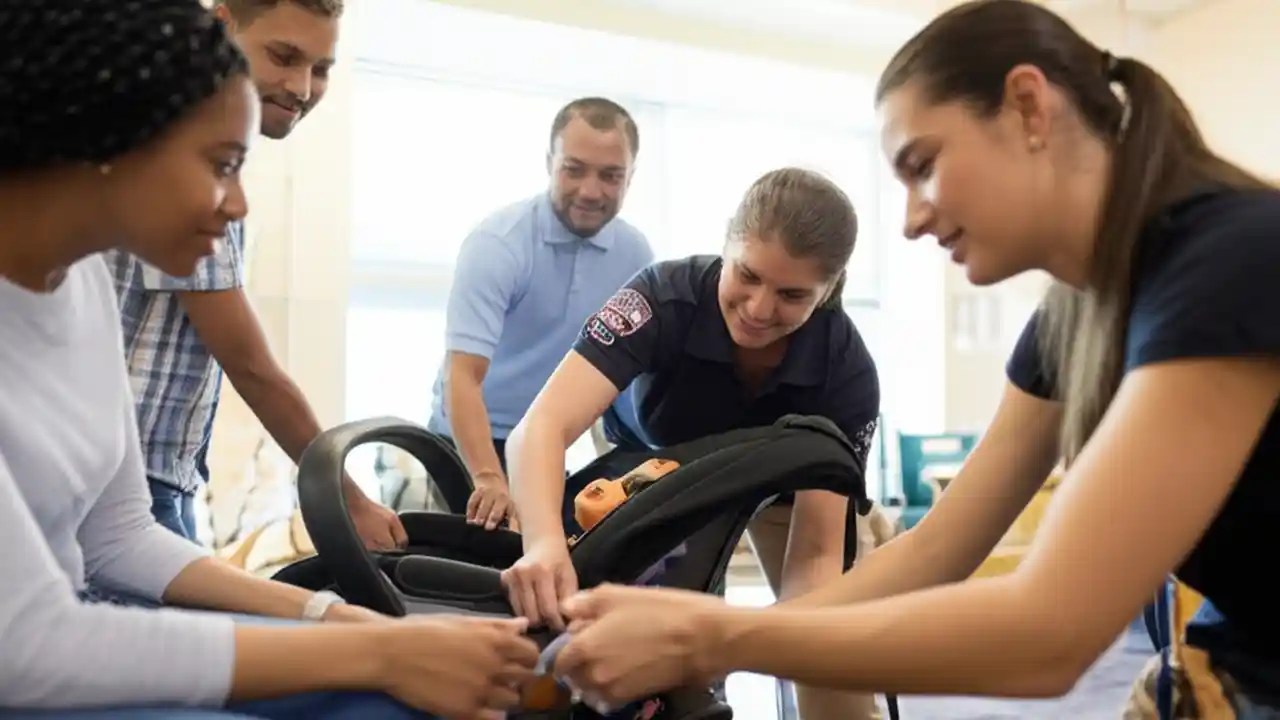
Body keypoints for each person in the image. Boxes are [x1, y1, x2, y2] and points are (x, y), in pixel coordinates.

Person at [535, 1, 1280, 717]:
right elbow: (936, 553)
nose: (913, 218)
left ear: (1028, 107)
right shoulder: (1075, 320)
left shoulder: (1230, 262)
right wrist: (719, 636)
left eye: (922, 165)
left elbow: (1050, 634)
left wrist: (714, 637)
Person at [0, 2, 537, 718]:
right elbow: (27, 644)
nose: (240, 204)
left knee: (390, 698)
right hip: (33, 665)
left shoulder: (88, 283)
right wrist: (383, 649)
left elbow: (119, 536)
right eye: (223, 165)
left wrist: (332, 616)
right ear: (112, 137)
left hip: (60, 632)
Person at [504, 167, 883, 720]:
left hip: (783, 497)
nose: (758, 309)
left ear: (830, 288)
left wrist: (795, 640)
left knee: (831, 650)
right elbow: (539, 428)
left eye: (792, 294)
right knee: (639, 658)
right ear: (726, 242)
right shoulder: (659, 298)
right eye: (747, 275)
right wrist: (541, 543)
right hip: (659, 477)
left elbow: (817, 554)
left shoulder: (845, 370)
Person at [103, 0, 406, 551]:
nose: (302, 86)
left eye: (321, 68)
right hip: (124, 486)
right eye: (284, 55)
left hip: (151, 477)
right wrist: (350, 500)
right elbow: (251, 366)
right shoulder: (179, 147)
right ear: (222, 25)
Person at [426, 97, 654, 530]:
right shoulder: (498, 244)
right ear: (550, 162)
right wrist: (489, 477)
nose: (591, 191)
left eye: (611, 175)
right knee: (475, 576)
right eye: (574, 169)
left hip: (545, 441)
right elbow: (463, 376)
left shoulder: (635, 255)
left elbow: (624, 379)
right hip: (470, 442)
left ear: (631, 176)